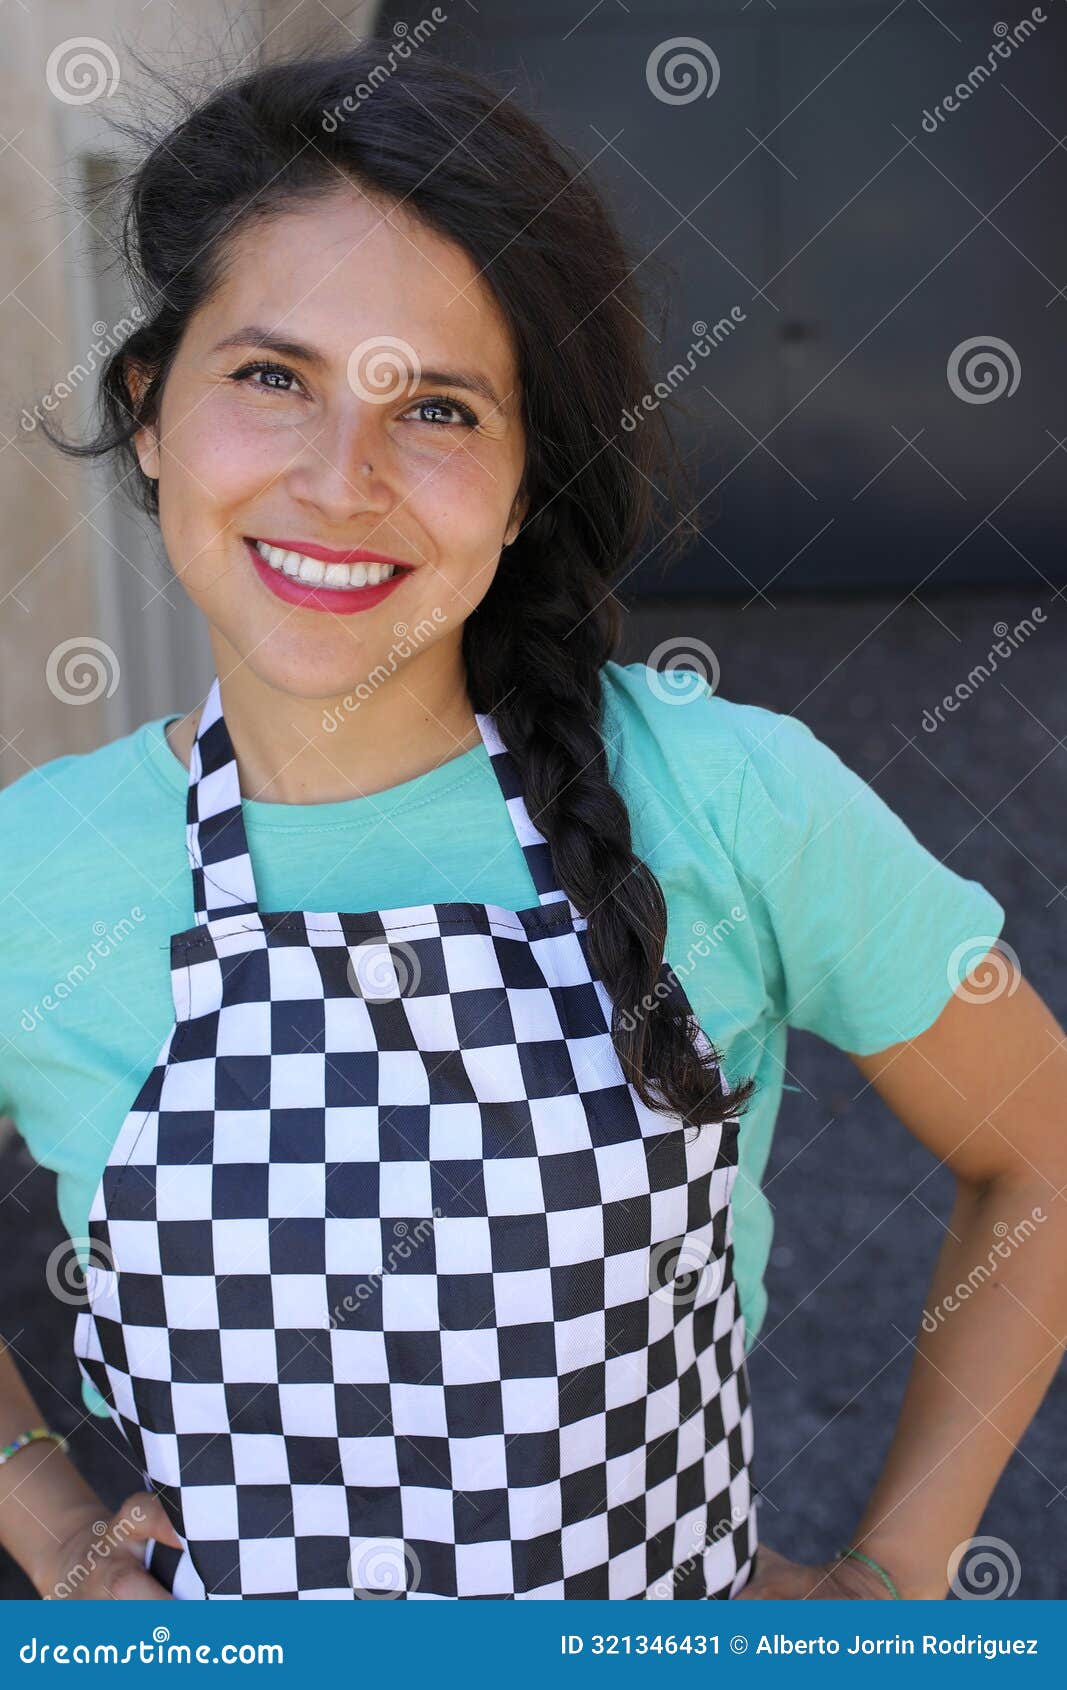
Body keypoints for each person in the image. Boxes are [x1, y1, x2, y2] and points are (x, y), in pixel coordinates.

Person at [1, 41, 1064, 1602]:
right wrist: (40, 1511)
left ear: (519, 488)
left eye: (435, 406)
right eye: (274, 376)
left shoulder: (735, 798)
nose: (341, 479)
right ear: (151, 411)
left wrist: (894, 1580)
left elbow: (1042, 1147)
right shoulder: (36, 870)